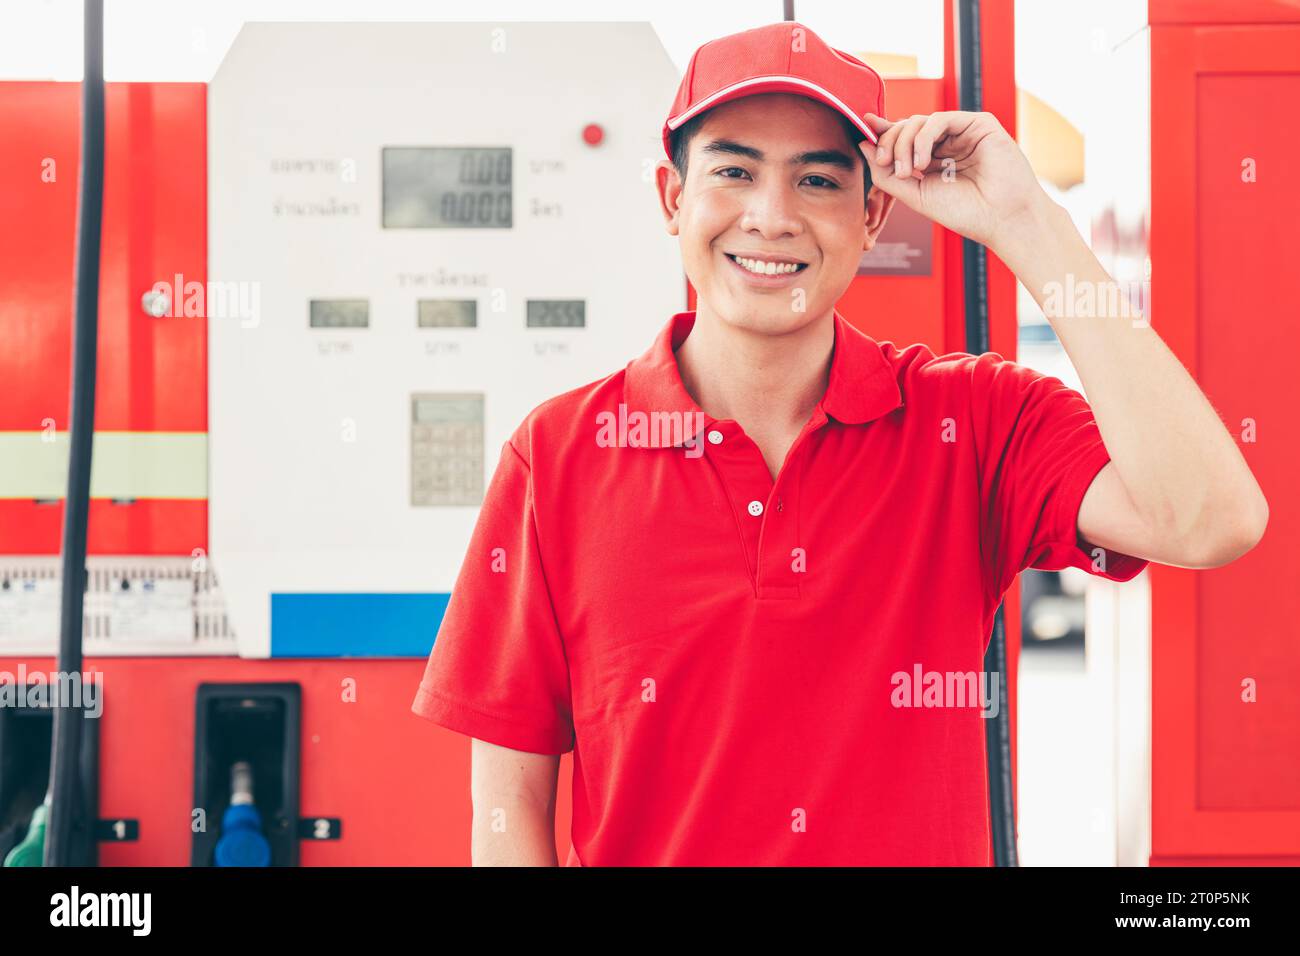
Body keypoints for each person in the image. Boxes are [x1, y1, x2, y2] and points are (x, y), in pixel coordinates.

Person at [410, 21, 1268, 865]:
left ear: (873, 215)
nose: (771, 216)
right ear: (673, 199)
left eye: (818, 181)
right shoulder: (559, 454)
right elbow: (508, 803)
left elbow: (1207, 519)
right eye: (734, 171)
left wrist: (1028, 224)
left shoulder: (974, 422)